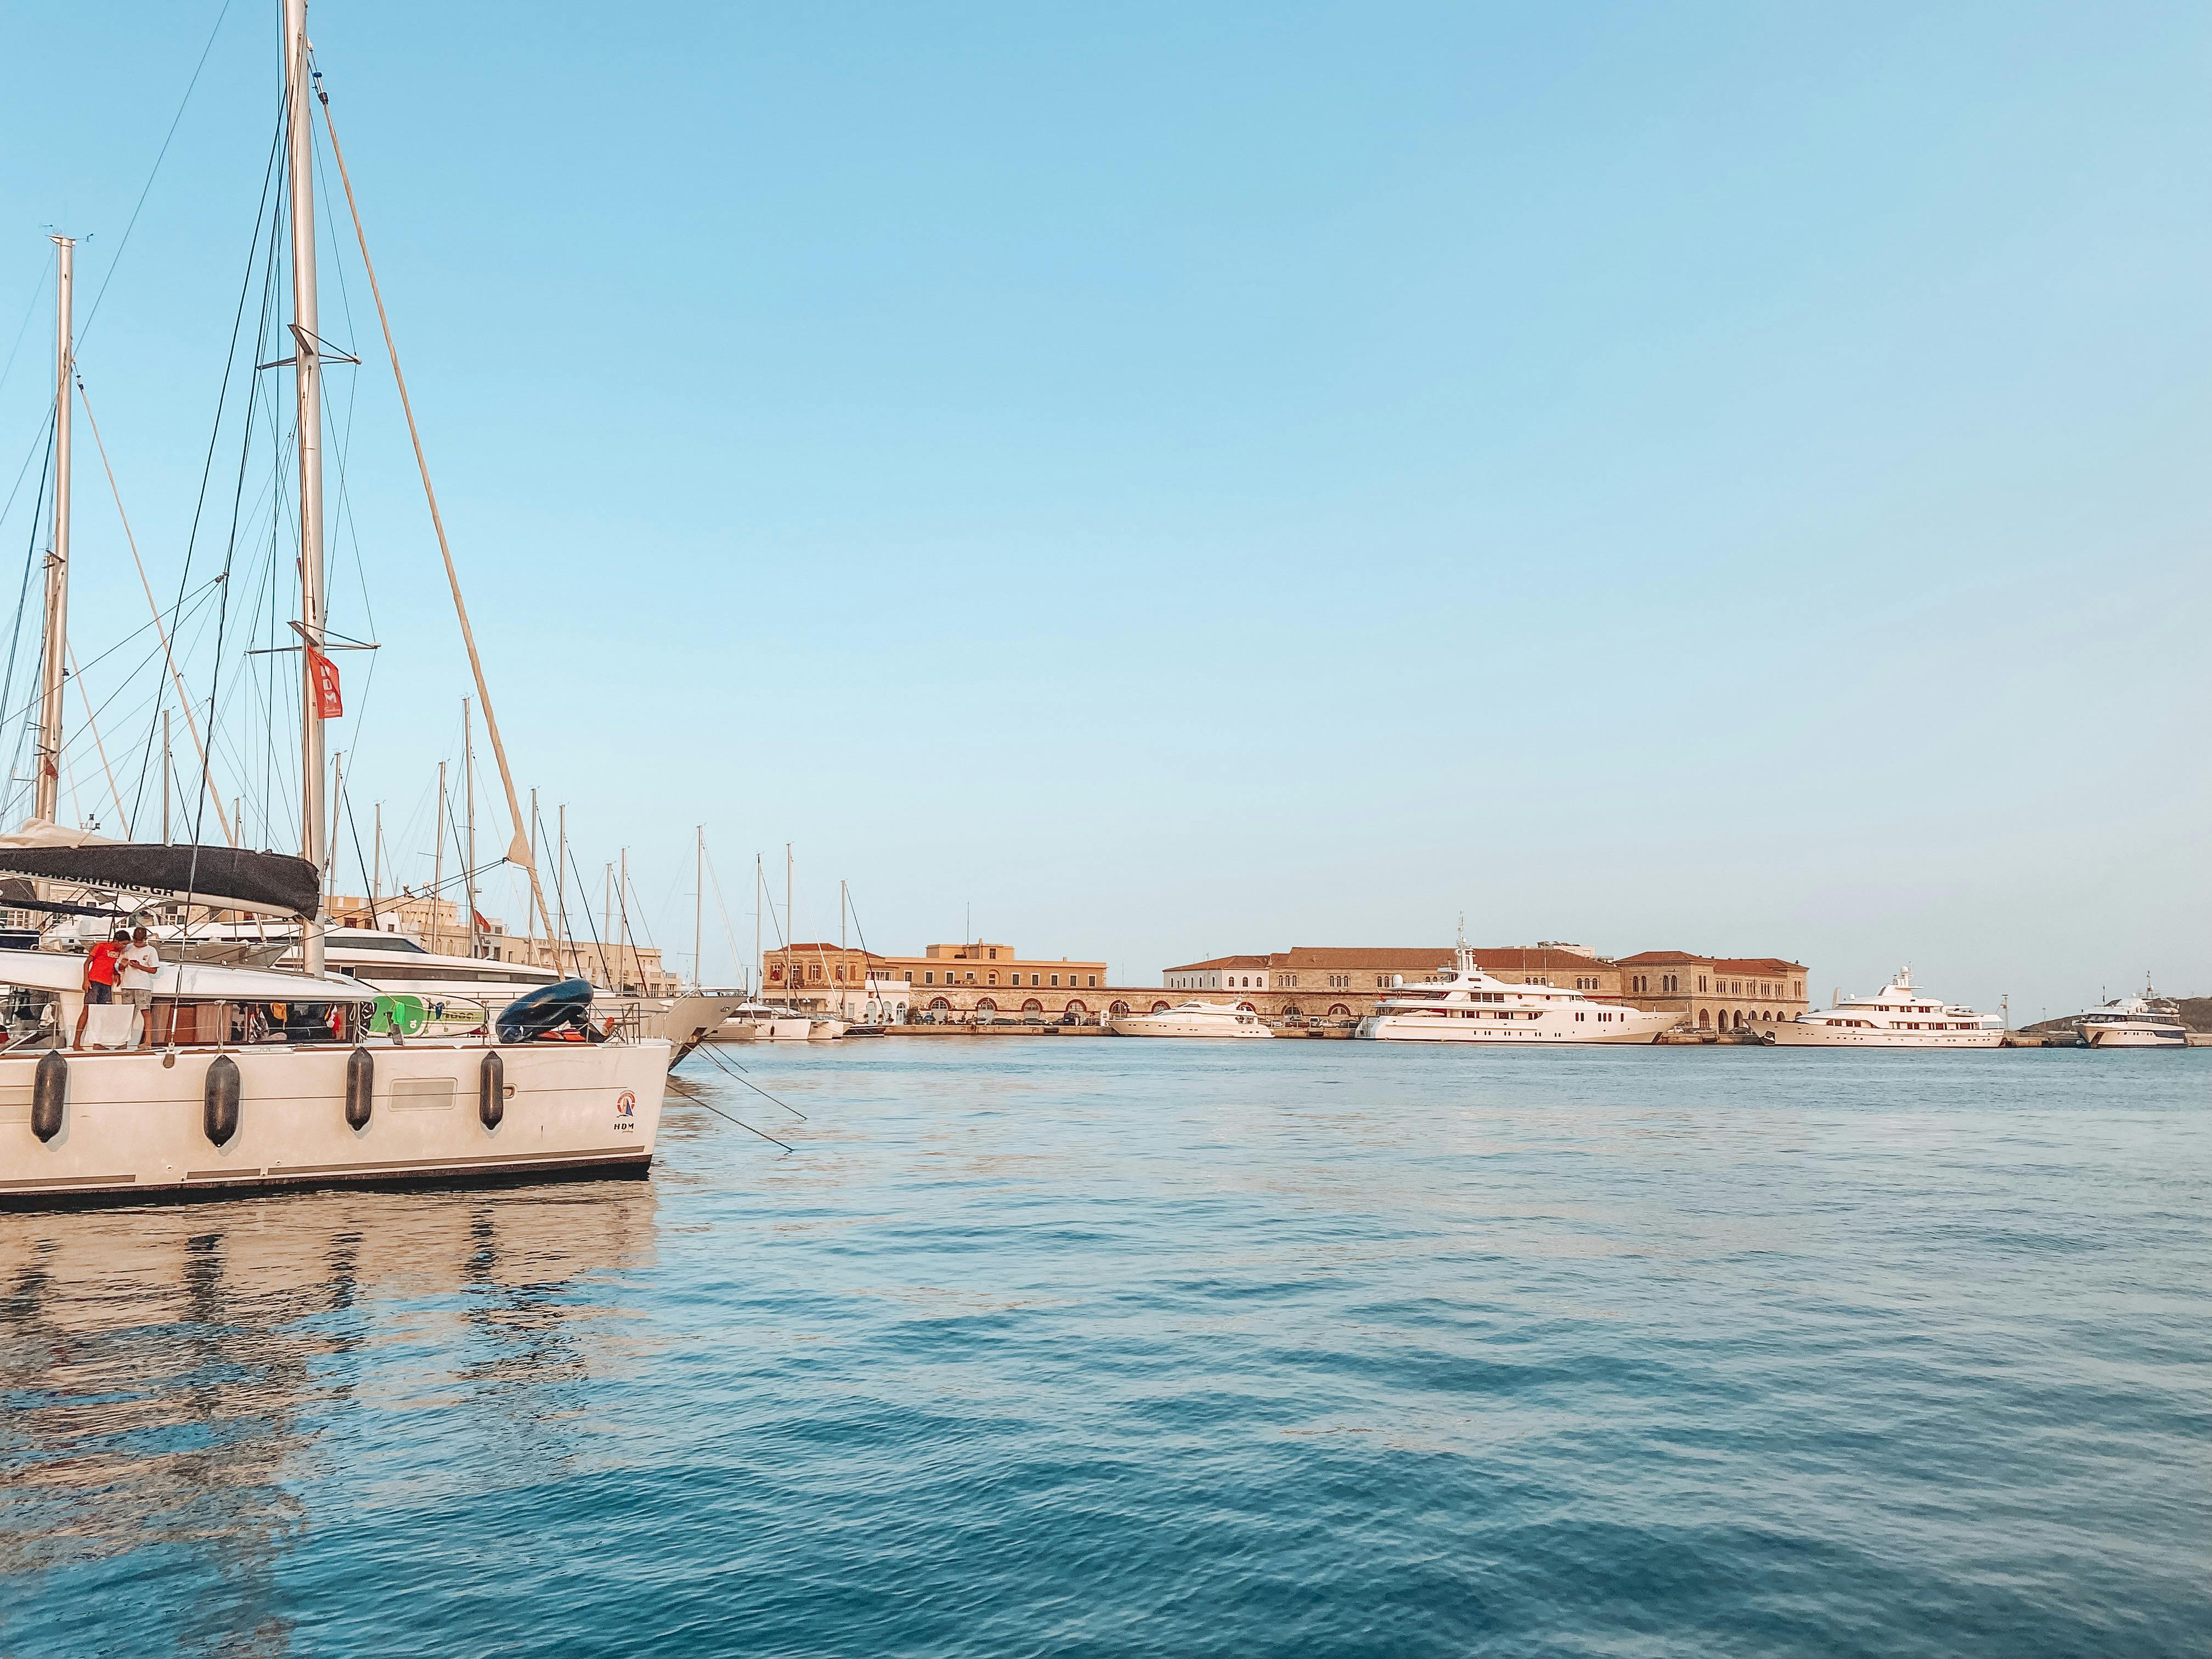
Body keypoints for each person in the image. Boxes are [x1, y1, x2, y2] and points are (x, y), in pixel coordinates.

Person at [72, 929, 128, 1049]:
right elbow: (87, 963)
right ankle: (76, 1042)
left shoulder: (119, 951)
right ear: (116, 941)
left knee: (101, 1013)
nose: (124, 946)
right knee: (87, 1010)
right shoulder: (101, 946)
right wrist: (86, 980)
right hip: (94, 981)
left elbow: (110, 964)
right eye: (123, 944)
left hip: (107, 984)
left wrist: (116, 974)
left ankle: (97, 1043)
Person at [117, 926, 161, 1049]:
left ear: (145, 939)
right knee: (126, 1014)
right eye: (136, 941)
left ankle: (148, 1041)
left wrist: (139, 966)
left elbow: (154, 970)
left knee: (146, 1012)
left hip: (143, 986)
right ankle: (123, 1042)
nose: (137, 943)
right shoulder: (127, 949)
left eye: (140, 941)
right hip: (127, 985)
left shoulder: (151, 950)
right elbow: (120, 968)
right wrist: (123, 965)